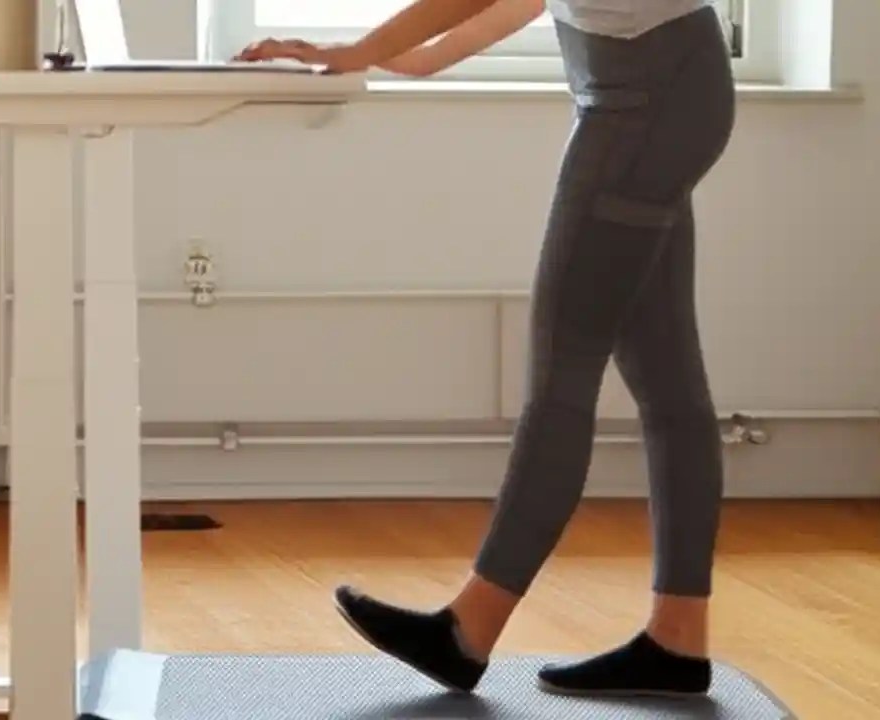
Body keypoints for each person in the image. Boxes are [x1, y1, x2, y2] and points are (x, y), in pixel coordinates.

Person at [239, 0, 735, 699]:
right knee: (665, 373)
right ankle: (677, 638)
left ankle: (467, 630)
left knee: (565, 366)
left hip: (642, 102)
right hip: (667, 90)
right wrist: (400, 58)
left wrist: (357, 50)